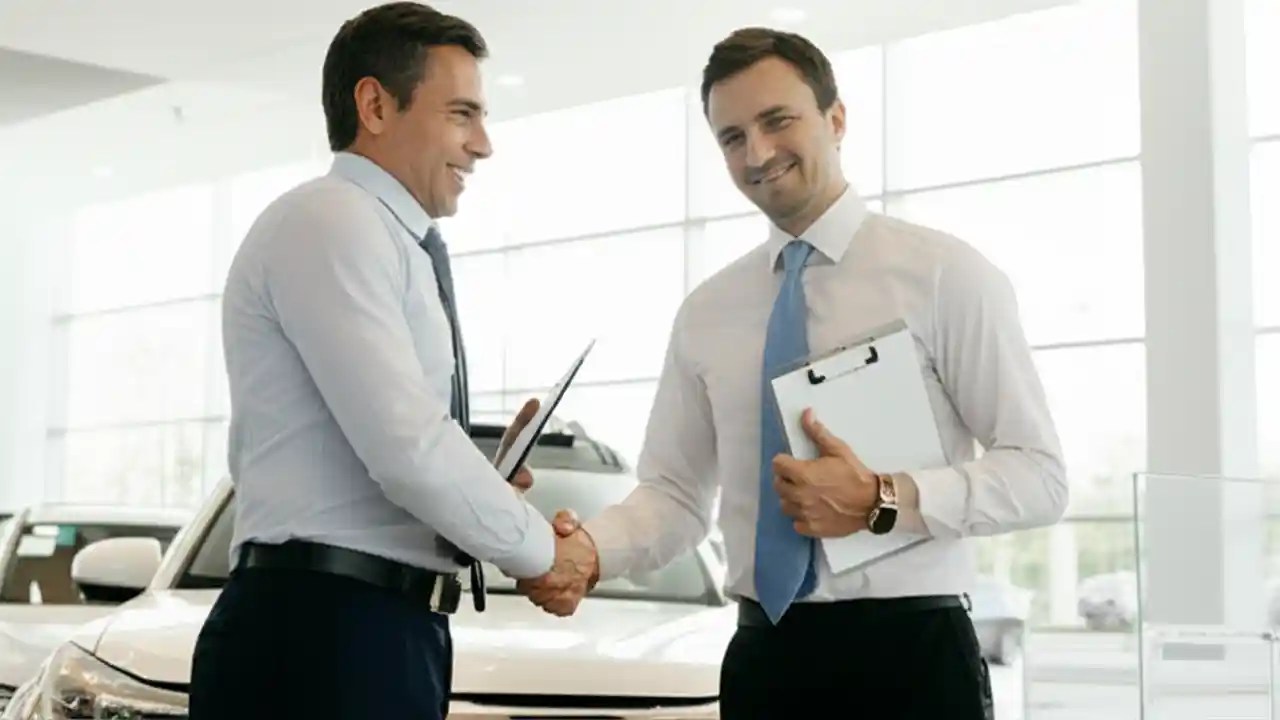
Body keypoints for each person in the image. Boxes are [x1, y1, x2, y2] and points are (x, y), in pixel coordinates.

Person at [522, 27, 1068, 719]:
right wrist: (592, 550)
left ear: (836, 120)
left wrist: (882, 496)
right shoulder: (707, 312)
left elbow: (1040, 476)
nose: (757, 153)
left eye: (777, 120)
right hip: (766, 661)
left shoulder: (943, 276)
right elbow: (676, 496)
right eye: (732, 137)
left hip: (912, 659)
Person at [188, 3, 591, 718]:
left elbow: (391, 439)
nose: (483, 145)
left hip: (376, 627)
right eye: (462, 114)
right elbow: (406, 447)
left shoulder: (383, 236)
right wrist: (540, 552)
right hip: (324, 635)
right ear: (374, 104)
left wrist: (483, 481)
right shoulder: (331, 220)